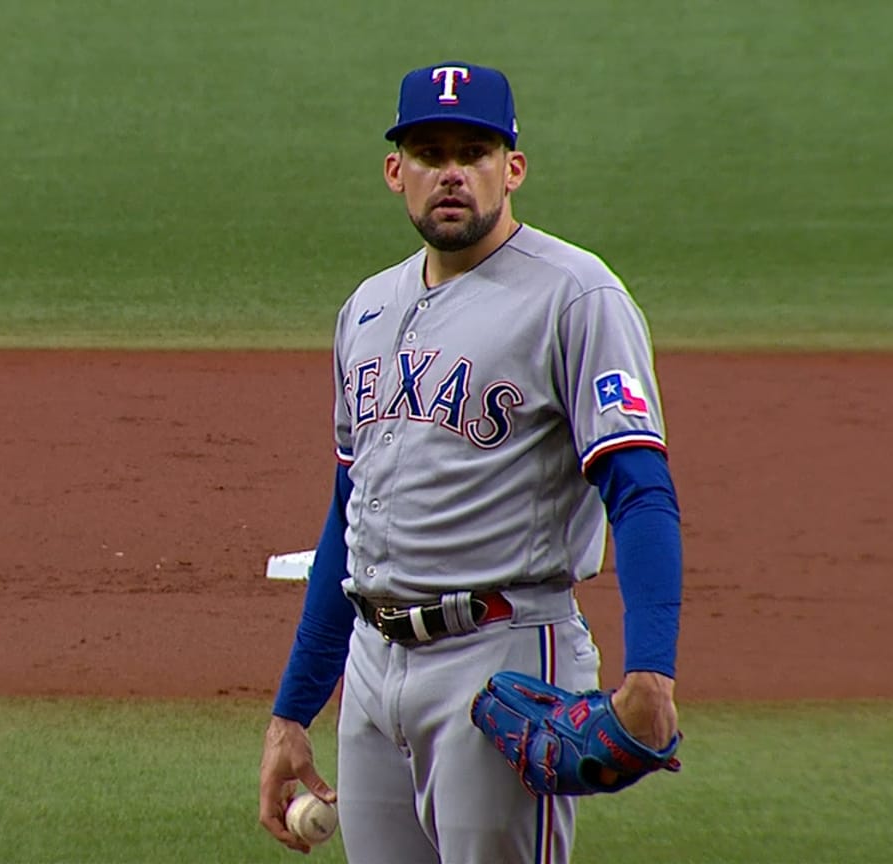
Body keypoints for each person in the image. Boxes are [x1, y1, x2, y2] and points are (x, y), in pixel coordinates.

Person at [257, 61, 685, 863]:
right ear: (396, 172)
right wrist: (291, 714)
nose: (450, 172)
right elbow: (348, 518)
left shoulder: (576, 296)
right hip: (372, 669)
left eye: (473, 152)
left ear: (512, 168)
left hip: (501, 661)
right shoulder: (366, 309)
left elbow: (641, 494)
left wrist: (651, 674)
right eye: (429, 154)